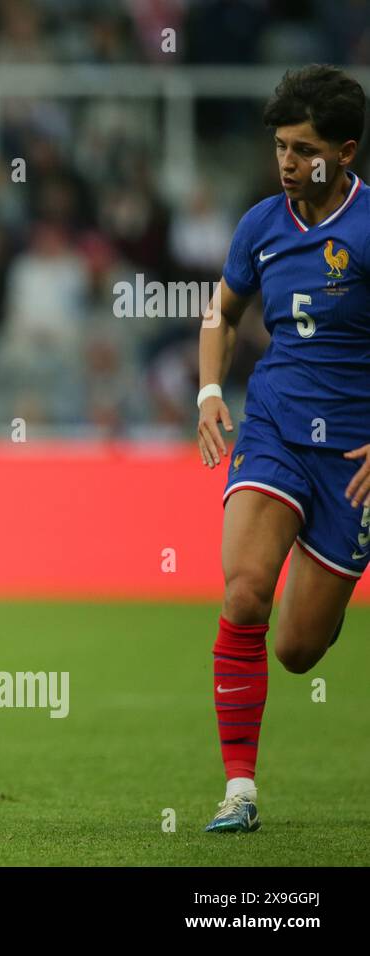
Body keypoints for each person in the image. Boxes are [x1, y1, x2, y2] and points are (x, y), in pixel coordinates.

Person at [197, 65, 369, 833]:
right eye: (280, 146)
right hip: (272, 429)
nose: (289, 161)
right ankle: (239, 790)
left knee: (298, 650)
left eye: (304, 148)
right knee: (242, 595)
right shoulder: (261, 224)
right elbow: (222, 312)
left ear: (347, 151)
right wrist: (209, 392)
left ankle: (323, 599)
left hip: (353, 459)